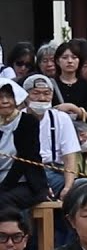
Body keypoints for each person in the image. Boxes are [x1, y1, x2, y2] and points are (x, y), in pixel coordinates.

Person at [21, 74, 80, 201]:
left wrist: (68, 187)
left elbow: (69, 156)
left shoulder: (61, 118)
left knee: (84, 187)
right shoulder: (18, 119)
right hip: (27, 174)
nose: (42, 98)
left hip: (56, 172)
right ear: (26, 96)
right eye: (36, 93)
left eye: (46, 93)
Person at [0, 79, 48, 211]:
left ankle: (18, 231)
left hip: (25, 182)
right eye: (0, 97)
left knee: (3, 200)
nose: (4, 101)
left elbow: (24, 160)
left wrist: (3, 187)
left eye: (9, 97)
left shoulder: (28, 122)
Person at [52, 41, 87, 123]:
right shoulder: (50, 85)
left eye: (74, 57)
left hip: (81, 132)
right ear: (57, 61)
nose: (70, 61)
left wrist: (74, 109)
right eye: (65, 57)